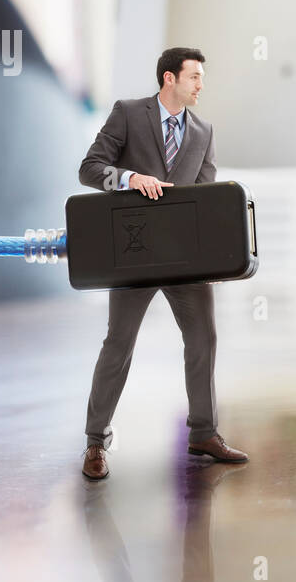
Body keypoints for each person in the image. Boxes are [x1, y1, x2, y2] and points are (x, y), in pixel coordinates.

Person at [76, 47, 248, 480]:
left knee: (203, 338)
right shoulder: (128, 113)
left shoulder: (204, 130)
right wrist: (129, 178)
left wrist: (214, 263)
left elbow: (206, 200)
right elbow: (89, 168)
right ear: (169, 78)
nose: (201, 84)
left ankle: (204, 433)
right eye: (194, 76)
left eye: (201, 77)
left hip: (185, 258)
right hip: (134, 255)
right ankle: (95, 442)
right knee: (119, 344)